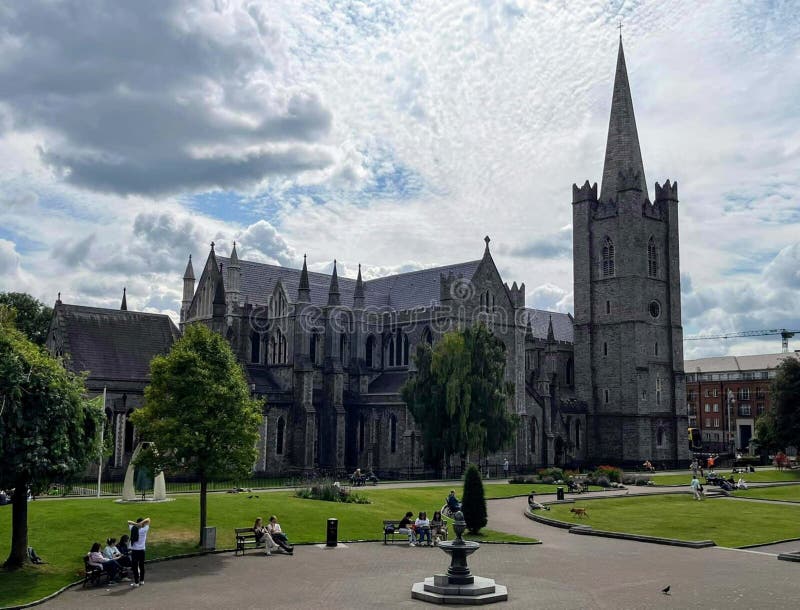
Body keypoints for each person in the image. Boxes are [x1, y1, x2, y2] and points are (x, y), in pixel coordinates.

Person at [128, 516, 150, 587]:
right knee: (141, 566)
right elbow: (148, 519)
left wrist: (136, 524)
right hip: (142, 551)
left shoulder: (132, 529)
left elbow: (129, 521)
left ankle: (136, 582)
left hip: (134, 551)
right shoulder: (144, 530)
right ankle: (142, 581)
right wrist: (141, 523)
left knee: (135, 567)